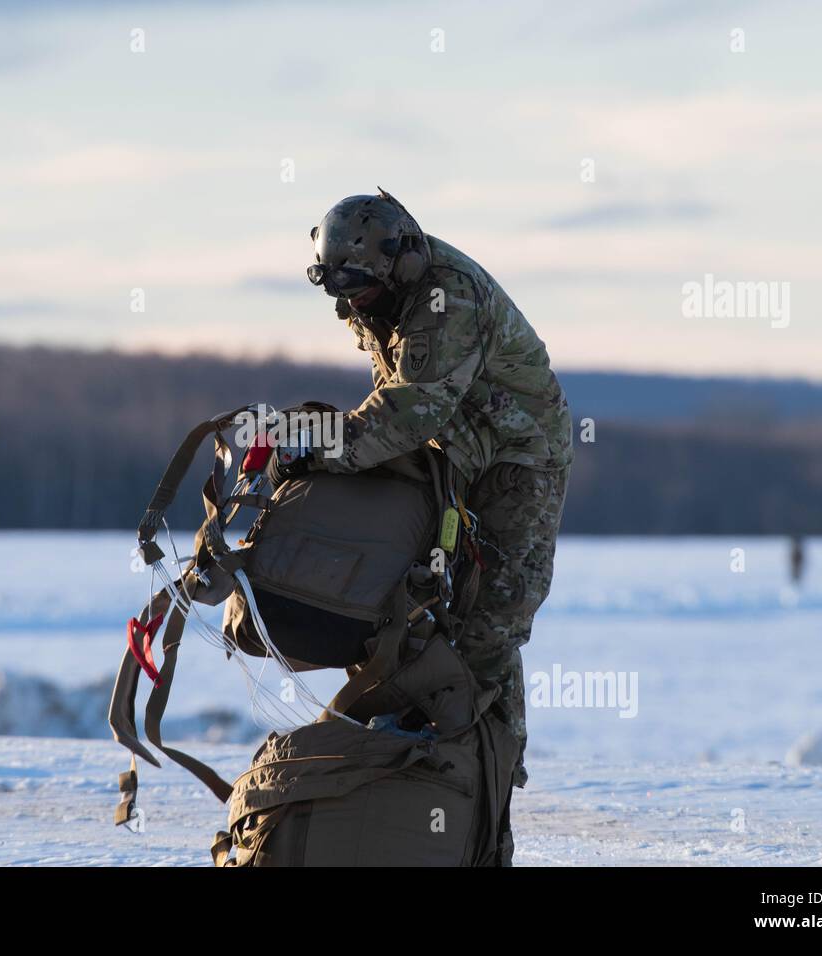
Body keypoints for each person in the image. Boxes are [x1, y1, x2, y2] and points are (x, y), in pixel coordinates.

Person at [268, 189, 573, 863]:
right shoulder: (368, 291)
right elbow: (393, 398)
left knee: (490, 625)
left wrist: (315, 446)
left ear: (399, 261)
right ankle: (415, 796)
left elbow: (411, 411)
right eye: (344, 294)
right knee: (420, 616)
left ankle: (481, 803)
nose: (356, 307)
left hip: (518, 463)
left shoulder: (446, 297)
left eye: (366, 292)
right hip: (452, 463)